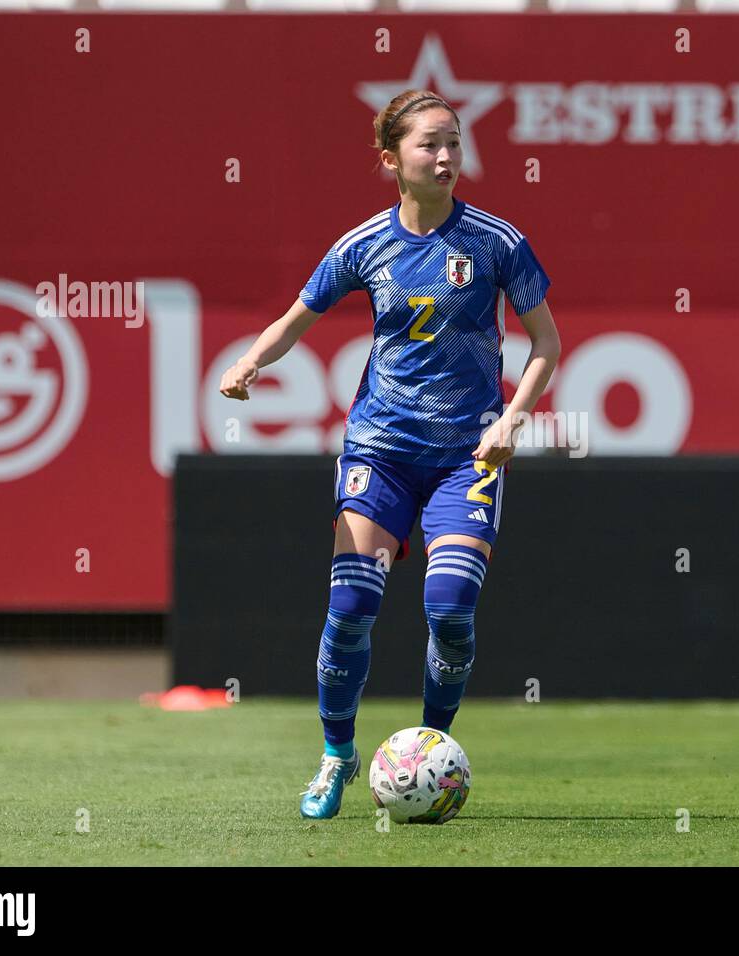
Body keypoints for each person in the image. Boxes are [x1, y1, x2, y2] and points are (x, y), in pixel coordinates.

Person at [218, 89, 561, 819]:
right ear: (391, 159)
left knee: (451, 608)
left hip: (468, 457)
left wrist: (512, 422)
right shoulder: (363, 245)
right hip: (380, 451)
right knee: (351, 608)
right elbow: (295, 319)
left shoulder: (497, 243)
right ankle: (336, 754)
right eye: (428, 144)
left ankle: (428, 753)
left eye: (454, 144)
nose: (445, 158)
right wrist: (250, 362)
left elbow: (547, 344)